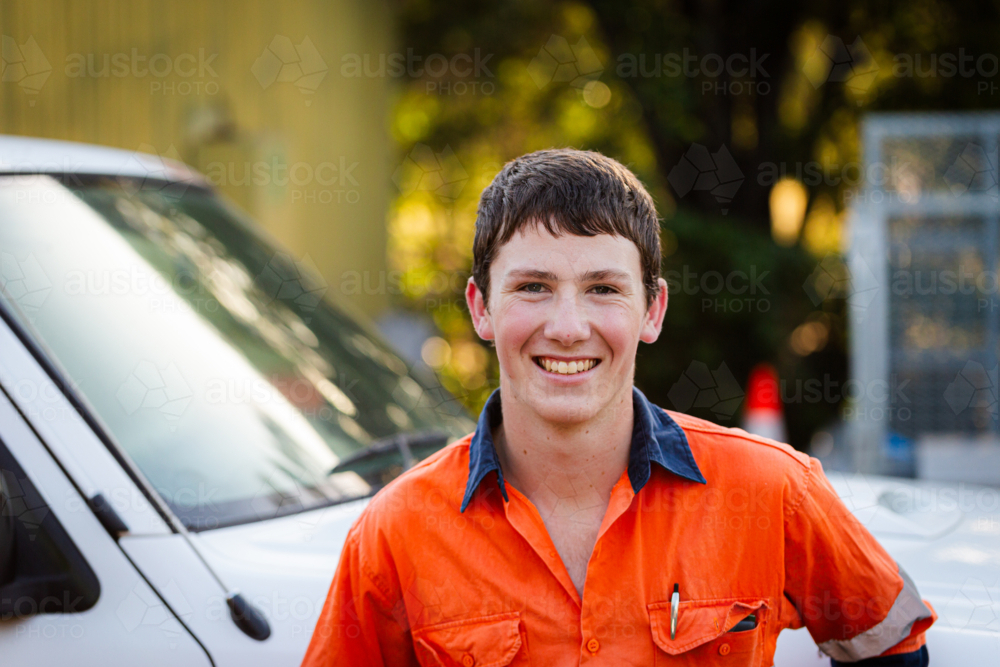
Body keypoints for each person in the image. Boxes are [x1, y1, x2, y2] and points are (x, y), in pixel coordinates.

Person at [301, 148, 935, 666]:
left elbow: (892, 647)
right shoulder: (395, 532)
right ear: (481, 308)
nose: (569, 326)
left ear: (652, 310)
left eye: (603, 288)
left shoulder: (772, 489)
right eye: (533, 288)